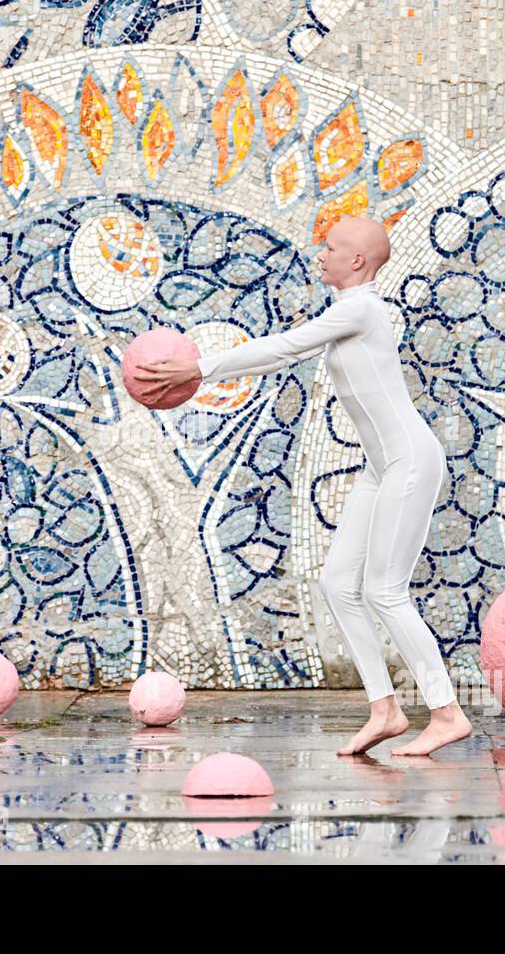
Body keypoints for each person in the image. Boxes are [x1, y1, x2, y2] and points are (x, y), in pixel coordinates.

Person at [131, 217, 472, 757]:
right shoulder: (350, 311)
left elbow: (285, 348)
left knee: (385, 591)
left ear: (356, 261)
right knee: (338, 584)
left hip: (409, 461)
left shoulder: (362, 308)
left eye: (331, 247)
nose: (321, 254)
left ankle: (447, 713)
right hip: (381, 467)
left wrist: (197, 370)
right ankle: (384, 711)